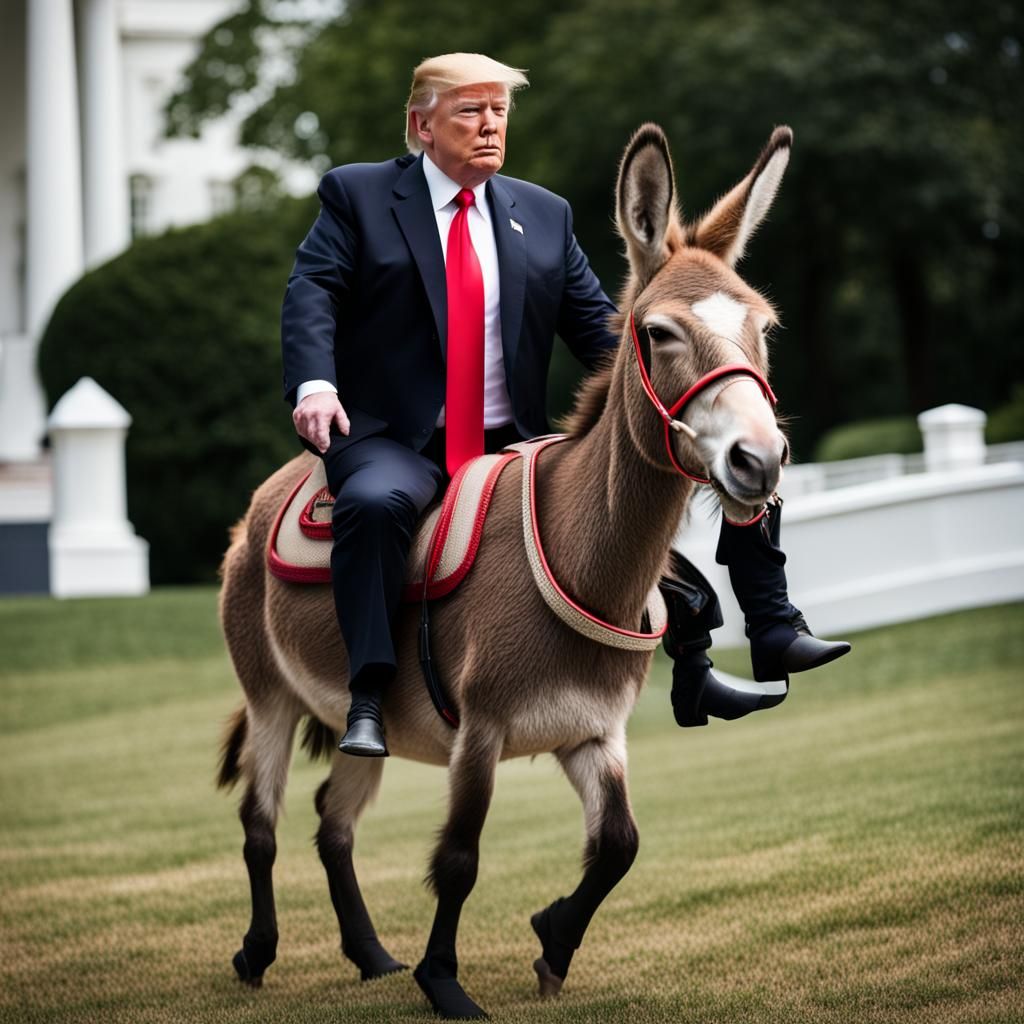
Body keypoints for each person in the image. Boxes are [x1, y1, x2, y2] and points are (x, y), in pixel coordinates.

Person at [280, 52, 849, 757]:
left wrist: (710, 399)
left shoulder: (542, 217)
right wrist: (315, 384)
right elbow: (312, 291)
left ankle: (722, 651)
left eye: (499, 111)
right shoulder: (358, 195)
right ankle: (367, 698)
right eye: (470, 111)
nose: (490, 126)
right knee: (372, 504)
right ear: (420, 125)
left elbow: (604, 339)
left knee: (667, 481)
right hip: (397, 439)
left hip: (507, 444)